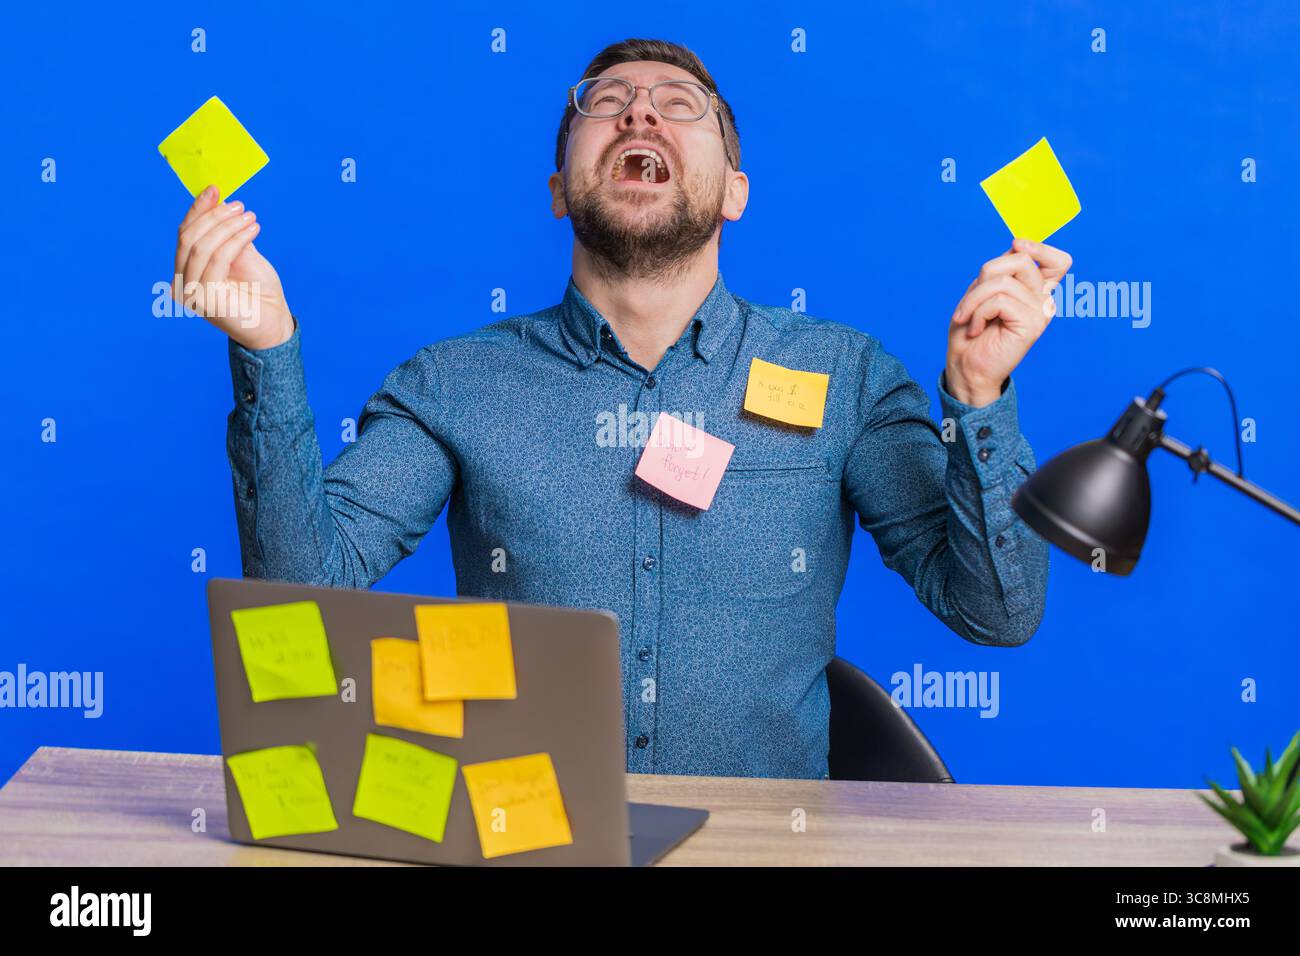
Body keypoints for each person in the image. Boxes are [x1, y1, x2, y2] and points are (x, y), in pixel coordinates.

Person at [172, 38, 1068, 779]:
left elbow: (997, 612)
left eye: (682, 104)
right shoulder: (453, 383)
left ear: (736, 190)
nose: (640, 112)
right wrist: (267, 352)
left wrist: (980, 400)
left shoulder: (848, 376)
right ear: (559, 187)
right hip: (530, 848)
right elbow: (299, 601)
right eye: (605, 101)